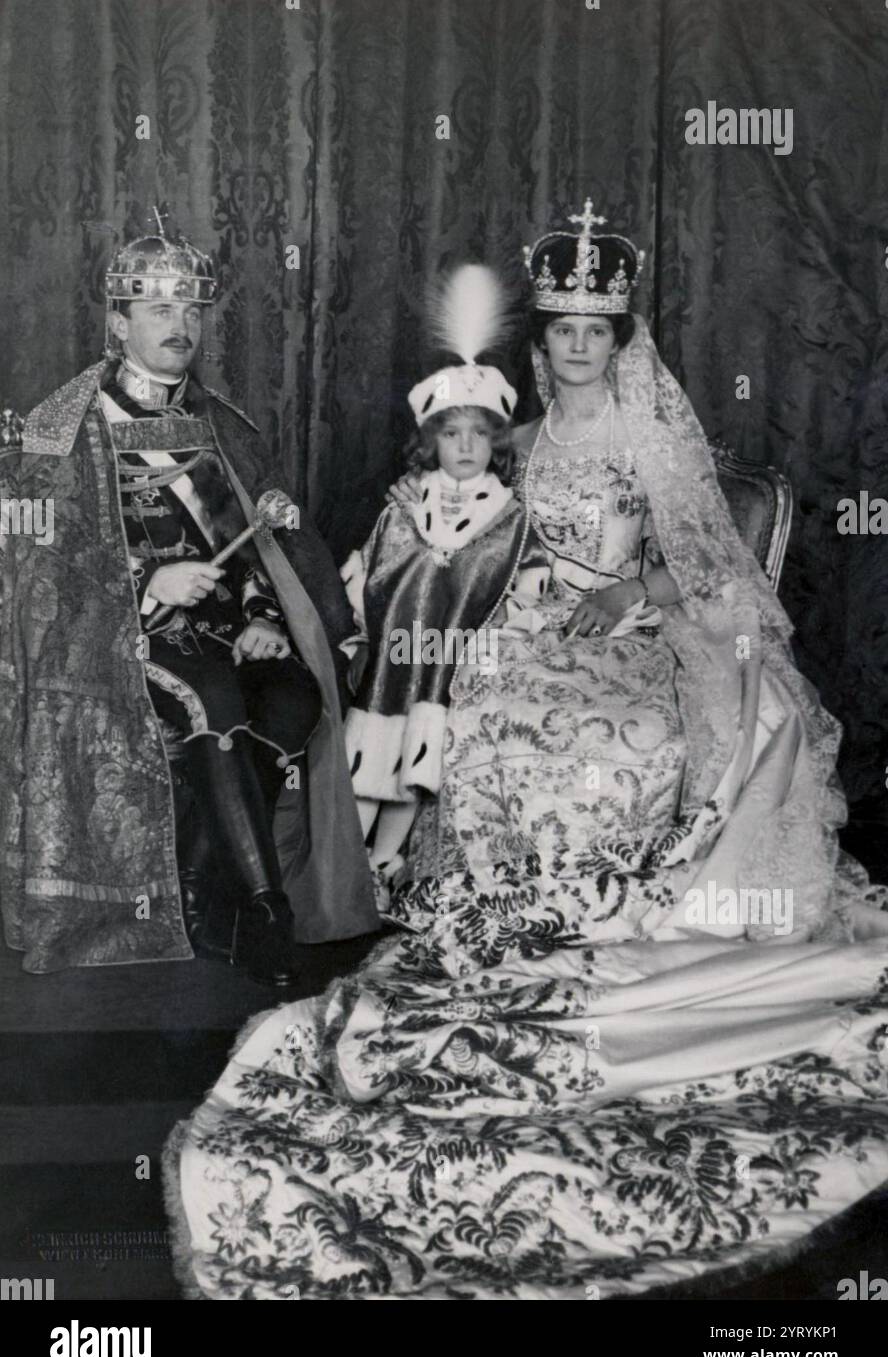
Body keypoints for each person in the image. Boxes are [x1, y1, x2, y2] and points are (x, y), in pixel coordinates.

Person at [166, 203, 888, 1299]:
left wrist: (628, 598)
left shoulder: (651, 436)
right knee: (488, 716)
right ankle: (509, 908)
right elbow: (486, 546)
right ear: (541, 342)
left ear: (621, 337)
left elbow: (707, 564)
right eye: (562, 331)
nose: (580, 347)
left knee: (628, 736)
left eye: (599, 330)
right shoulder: (527, 437)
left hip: (643, 630)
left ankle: (609, 906)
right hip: (539, 625)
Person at [0, 218, 377, 980]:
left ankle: (210, 891)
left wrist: (262, 618)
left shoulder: (216, 425)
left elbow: (246, 547)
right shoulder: (62, 430)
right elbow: (36, 569)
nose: (181, 327)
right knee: (212, 701)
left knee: (291, 697)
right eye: (159, 311)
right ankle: (264, 910)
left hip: (216, 631)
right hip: (111, 636)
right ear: (118, 322)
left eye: (192, 311)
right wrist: (144, 585)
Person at [340, 266, 549, 909]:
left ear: (495, 442)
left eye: (479, 435)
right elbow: (364, 571)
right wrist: (357, 628)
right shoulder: (404, 507)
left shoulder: (510, 516)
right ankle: (345, 865)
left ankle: (385, 861)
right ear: (431, 441)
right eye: (451, 434)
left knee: (414, 771)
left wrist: (506, 642)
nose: (465, 446)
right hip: (391, 667)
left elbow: (530, 585)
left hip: (451, 673)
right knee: (367, 766)